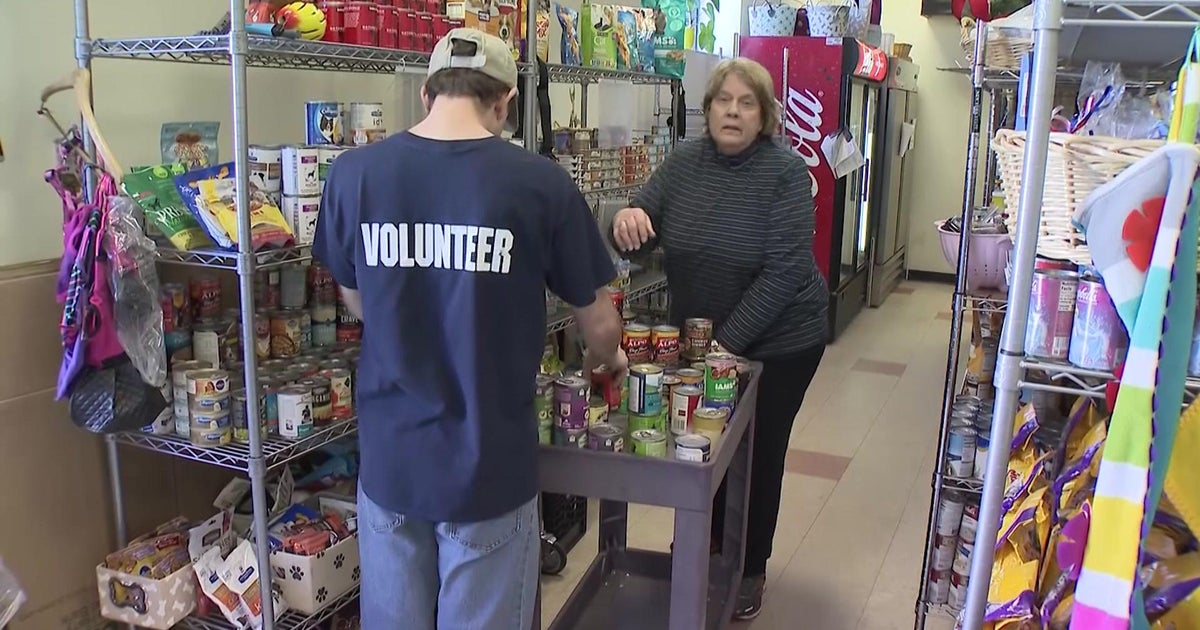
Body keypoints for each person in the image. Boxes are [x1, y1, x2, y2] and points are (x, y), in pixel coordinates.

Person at [313, 29, 626, 630]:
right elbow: (601, 324)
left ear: (427, 92)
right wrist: (604, 359)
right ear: (505, 102)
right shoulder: (541, 184)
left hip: (392, 461)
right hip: (489, 467)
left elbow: (356, 301)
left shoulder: (354, 175)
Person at [611, 57, 829, 621]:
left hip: (782, 339)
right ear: (707, 111)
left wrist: (721, 348)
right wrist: (625, 220)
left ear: (765, 116)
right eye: (723, 101)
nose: (733, 111)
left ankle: (749, 566)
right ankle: (705, 544)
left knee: (757, 451)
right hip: (706, 338)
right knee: (701, 441)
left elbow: (785, 273)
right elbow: (642, 227)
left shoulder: (785, 173)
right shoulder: (683, 163)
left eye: (747, 102)